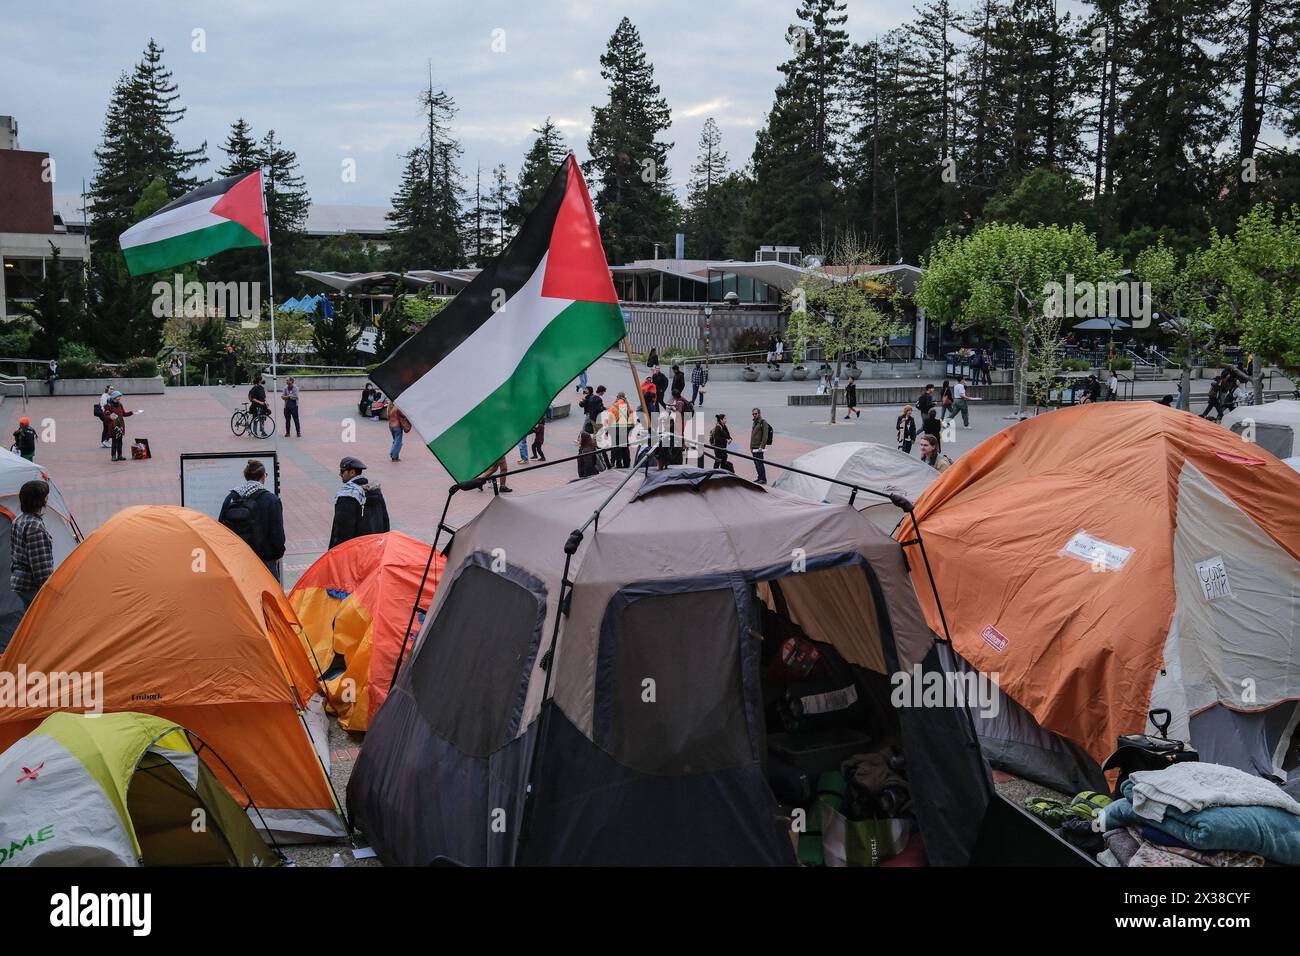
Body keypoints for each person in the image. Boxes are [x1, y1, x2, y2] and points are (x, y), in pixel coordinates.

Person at [218, 459, 286, 582]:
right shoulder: (271, 500)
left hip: (238, 560)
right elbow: (277, 534)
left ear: (246, 476)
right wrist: (277, 554)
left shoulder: (232, 497)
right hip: (265, 561)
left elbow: (221, 526)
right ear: (263, 476)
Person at [9, 479, 54, 622]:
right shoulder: (35, 527)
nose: (47, 498)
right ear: (40, 500)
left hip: (20, 582)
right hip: (31, 585)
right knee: (40, 622)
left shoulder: (19, 520)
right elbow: (41, 567)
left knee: (29, 620)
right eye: (46, 495)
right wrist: (49, 590)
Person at [329, 456, 391, 547]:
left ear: (352, 472)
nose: (340, 474)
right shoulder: (375, 492)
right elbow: (385, 521)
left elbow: (343, 531)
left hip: (356, 551)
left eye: (342, 471)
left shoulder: (347, 496)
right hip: (375, 548)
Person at [103, 390, 139, 462]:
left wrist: (132, 412)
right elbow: (106, 415)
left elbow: (124, 414)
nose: (119, 398)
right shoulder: (108, 405)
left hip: (120, 426)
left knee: (120, 442)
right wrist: (110, 417)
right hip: (113, 426)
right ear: (114, 397)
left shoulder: (120, 404)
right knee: (114, 442)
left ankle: (120, 455)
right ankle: (113, 456)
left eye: (120, 397)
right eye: (118, 397)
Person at [750, 407, 773, 485]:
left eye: (756, 414)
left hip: (758, 447)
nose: (754, 415)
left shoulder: (763, 423)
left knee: (760, 463)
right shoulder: (755, 422)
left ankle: (763, 479)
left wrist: (761, 447)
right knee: (756, 464)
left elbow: (765, 436)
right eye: (753, 414)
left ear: (759, 413)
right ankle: (759, 477)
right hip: (753, 446)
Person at [609, 392, 632, 468]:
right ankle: (626, 463)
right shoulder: (628, 405)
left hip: (615, 428)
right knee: (624, 447)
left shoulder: (614, 406)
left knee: (616, 447)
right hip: (624, 428)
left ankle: (617, 463)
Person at [99, 383, 114, 447]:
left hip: (108, 414)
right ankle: (105, 441)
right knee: (108, 427)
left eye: (113, 389)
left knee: (106, 428)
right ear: (107, 389)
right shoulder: (104, 396)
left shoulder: (109, 396)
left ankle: (104, 441)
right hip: (105, 414)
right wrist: (107, 414)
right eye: (111, 389)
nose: (112, 390)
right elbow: (104, 406)